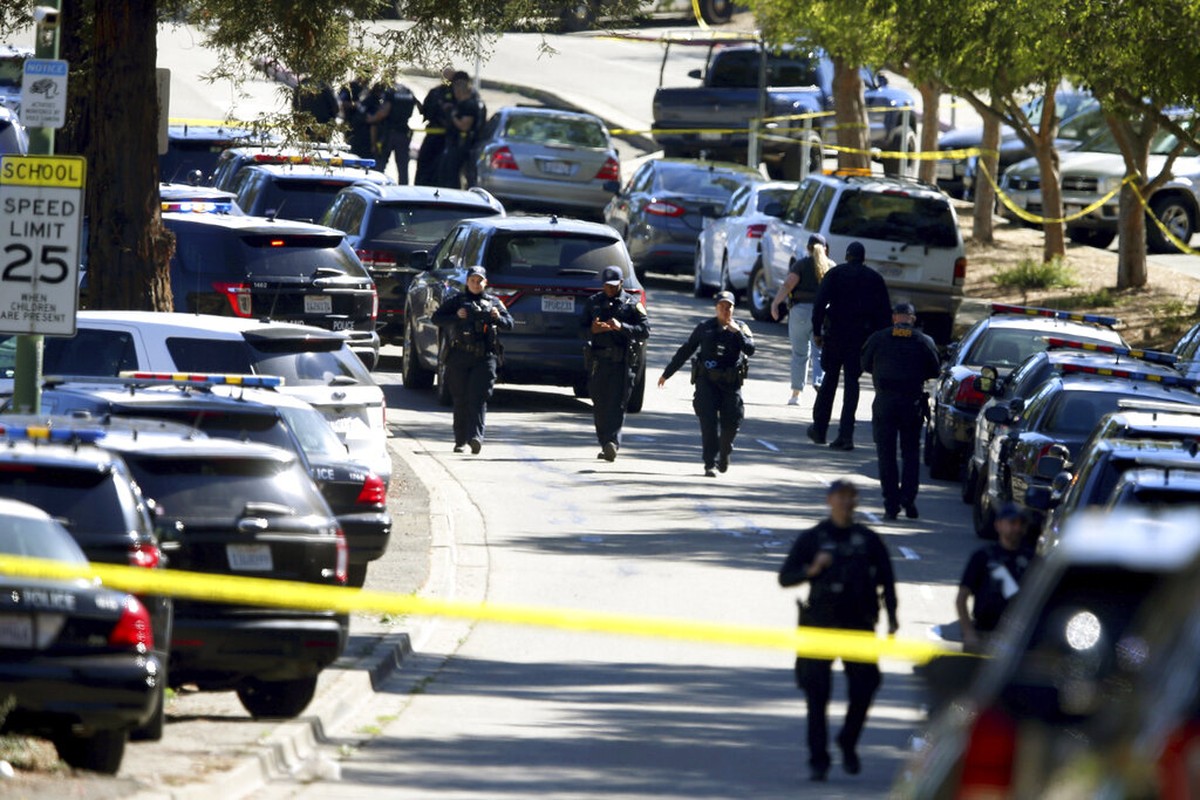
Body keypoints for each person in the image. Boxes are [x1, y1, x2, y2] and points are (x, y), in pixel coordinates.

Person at [778, 479, 898, 782]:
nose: (845, 502)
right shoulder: (814, 538)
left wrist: (893, 618)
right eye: (839, 497)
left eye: (850, 497)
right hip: (820, 622)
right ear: (829, 500)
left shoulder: (868, 539)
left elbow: (887, 580)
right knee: (816, 693)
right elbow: (785, 577)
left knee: (866, 686)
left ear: (855, 502)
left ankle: (848, 739)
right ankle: (818, 759)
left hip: (858, 622)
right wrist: (812, 570)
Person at [658, 291, 755, 477]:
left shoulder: (741, 328)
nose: (725, 310)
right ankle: (709, 463)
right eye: (722, 307)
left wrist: (737, 333)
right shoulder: (705, 327)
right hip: (707, 383)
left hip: (730, 383)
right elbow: (686, 350)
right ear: (716, 308)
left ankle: (724, 453)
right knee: (708, 423)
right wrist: (667, 373)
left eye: (729, 307)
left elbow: (750, 349)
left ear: (734, 309)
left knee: (732, 421)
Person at [808, 241, 892, 451]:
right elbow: (884, 315)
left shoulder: (836, 274)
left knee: (830, 380)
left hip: (835, 334)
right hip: (861, 339)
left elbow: (819, 304)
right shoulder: (875, 279)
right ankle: (846, 435)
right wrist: (879, 344)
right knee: (852, 384)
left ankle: (820, 428)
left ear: (847, 256)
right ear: (863, 258)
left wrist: (817, 331)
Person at [861, 302, 941, 520]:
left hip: (885, 401)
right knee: (910, 453)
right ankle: (908, 498)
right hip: (911, 402)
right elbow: (935, 370)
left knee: (886, 454)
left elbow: (866, 364)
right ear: (912, 319)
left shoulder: (879, 338)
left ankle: (891, 503)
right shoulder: (924, 341)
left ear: (895, 317)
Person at [431, 266, 514, 454]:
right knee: (460, 398)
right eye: (472, 281)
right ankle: (460, 440)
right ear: (467, 282)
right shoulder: (457, 301)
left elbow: (510, 323)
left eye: (479, 281)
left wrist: (497, 317)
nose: (476, 284)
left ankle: (475, 438)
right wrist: (456, 316)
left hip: (485, 357)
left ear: (486, 283)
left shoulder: (493, 302)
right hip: (460, 354)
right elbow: (436, 318)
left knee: (478, 398)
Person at [581, 266, 651, 462]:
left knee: (617, 404)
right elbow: (581, 328)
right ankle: (605, 442)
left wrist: (622, 327)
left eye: (614, 285)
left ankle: (612, 443)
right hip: (598, 361)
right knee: (600, 403)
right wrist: (593, 330)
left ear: (621, 283)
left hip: (622, 362)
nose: (610, 289)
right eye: (607, 285)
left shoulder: (632, 304)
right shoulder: (594, 302)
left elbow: (645, 329)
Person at [956, 503, 1035, 652]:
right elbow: (961, 599)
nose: (1017, 528)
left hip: (1018, 637)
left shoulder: (1032, 560)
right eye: (1012, 523)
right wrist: (968, 633)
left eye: (1021, 524)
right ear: (998, 525)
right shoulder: (983, 557)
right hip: (984, 633)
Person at [771, 233, 832, 405]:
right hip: (823, 315)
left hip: (800, 313)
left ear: (808, 248)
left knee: (799, 353)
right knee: (818, 352)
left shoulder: (801, 265)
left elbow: (788, 284)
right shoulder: (831, 267)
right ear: (825, 249)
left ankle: (796, 394)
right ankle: (819, 384)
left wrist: (775, 304)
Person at [438, 71, 484, 188]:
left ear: (458, 91)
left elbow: (464, 125)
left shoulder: (469, 105)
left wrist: (452, 116)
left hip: (462, 145)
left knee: (454, 175)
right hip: (460, 144)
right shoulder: (466, 103)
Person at [366, 80, 417, 183]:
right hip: (403, 132)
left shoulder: (390, 91)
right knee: (403, 167)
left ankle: (377, 185)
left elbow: (384, 111)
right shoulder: (408, 91)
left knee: (380, 164)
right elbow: (419, 107)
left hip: (389, 132)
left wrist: (371, 119)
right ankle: (403, 191)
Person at [415, 67, 457, 185]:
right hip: (432, 133)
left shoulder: (456, 94)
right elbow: (426, 111)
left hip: (448, 137)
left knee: (441, 167)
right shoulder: (435, 92)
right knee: (424, 161)